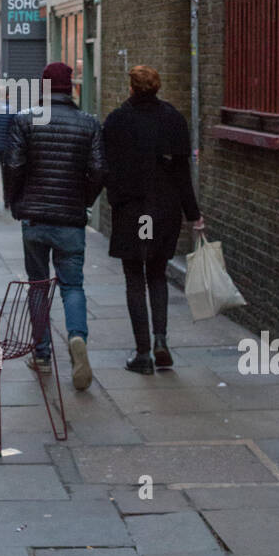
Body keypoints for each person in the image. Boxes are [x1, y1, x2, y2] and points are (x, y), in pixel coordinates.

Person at [3, 62, 106, 391]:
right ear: (72, 87)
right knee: (72, 286)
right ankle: (77, 337)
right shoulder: (89, 123)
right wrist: (84, 202)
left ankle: (43, 354)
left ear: (43, 89)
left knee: (38, 287)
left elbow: (14, 164)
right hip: (70, 220)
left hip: (34, 219)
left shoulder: (26, 119)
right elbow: (100, 171)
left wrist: (15, 202)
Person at [102, 65, 204, 375]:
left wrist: (115, 199)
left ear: (131, 88)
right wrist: (194, 214)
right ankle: (161, 341)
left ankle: (143, 352)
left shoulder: (118, 120)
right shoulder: (173, 119)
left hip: (133, 211)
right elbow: (183, 174)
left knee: (134, 279)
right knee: (157, 275)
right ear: (156, 87)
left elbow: (107, 168)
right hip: (164, 211)